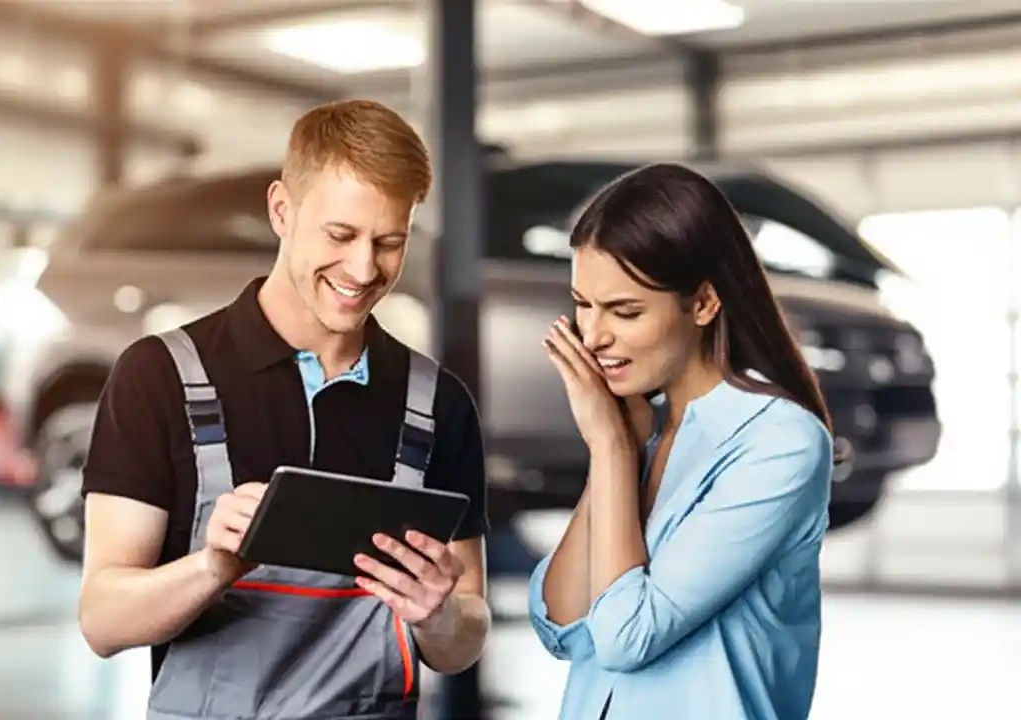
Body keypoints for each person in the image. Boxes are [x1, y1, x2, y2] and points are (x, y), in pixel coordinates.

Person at [77, 99, 491, 720]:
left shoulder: (437, 404)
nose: (363, 268)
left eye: (388, 242)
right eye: (341, 235)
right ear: (282, 210)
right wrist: (213, 568)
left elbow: (464, 636)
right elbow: (102, 620)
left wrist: (439, 614)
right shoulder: (159, 377)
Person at [529, 162, 836, 720]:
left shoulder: (779, 443)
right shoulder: (641, 431)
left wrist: (611, 450)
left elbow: (626, 638)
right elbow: (563, 626)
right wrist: (617, 454)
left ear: (702, 303)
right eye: (583, 304)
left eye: (625, 311)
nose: (594, 336)